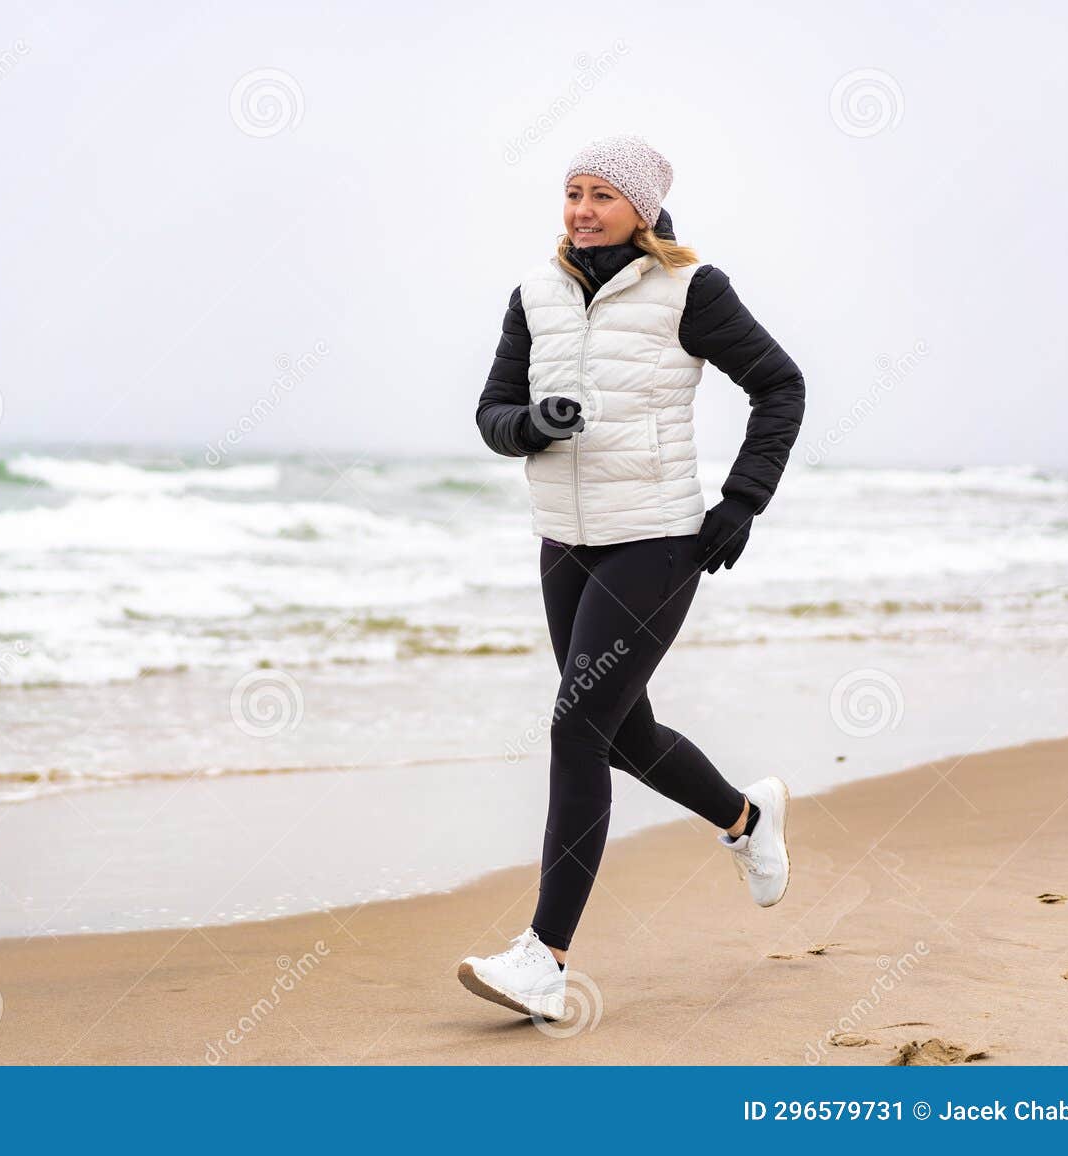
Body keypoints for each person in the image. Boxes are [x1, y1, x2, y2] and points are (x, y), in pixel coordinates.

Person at [458, 133, 807, 1023]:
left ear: (641, 210)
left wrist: (742, 500)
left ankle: (545, 958)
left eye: (602, 195)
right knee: (616, 731)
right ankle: (744, 819)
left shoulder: (691, 290)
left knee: (576, 729)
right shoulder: (533, 293)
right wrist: (531, 423)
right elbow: (492, 413)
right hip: (564, 541)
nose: (582, 209)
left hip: (657, 537)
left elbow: (780, 385)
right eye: (573, 192)